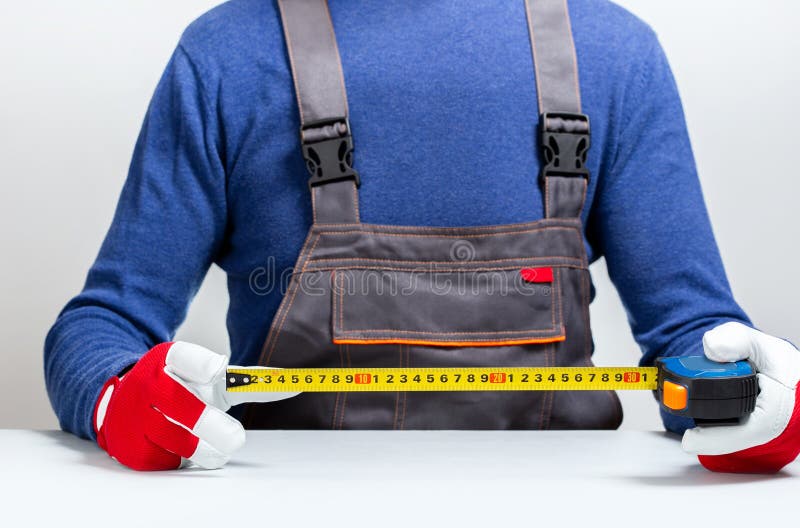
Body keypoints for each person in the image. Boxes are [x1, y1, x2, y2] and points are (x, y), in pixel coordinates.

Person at [44, 0, 800, 472]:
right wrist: (118, 401)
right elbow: (104, 325)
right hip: (279, 515)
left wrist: (735, 401)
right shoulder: (226, 58)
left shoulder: (615, 56)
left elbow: (692, 334)